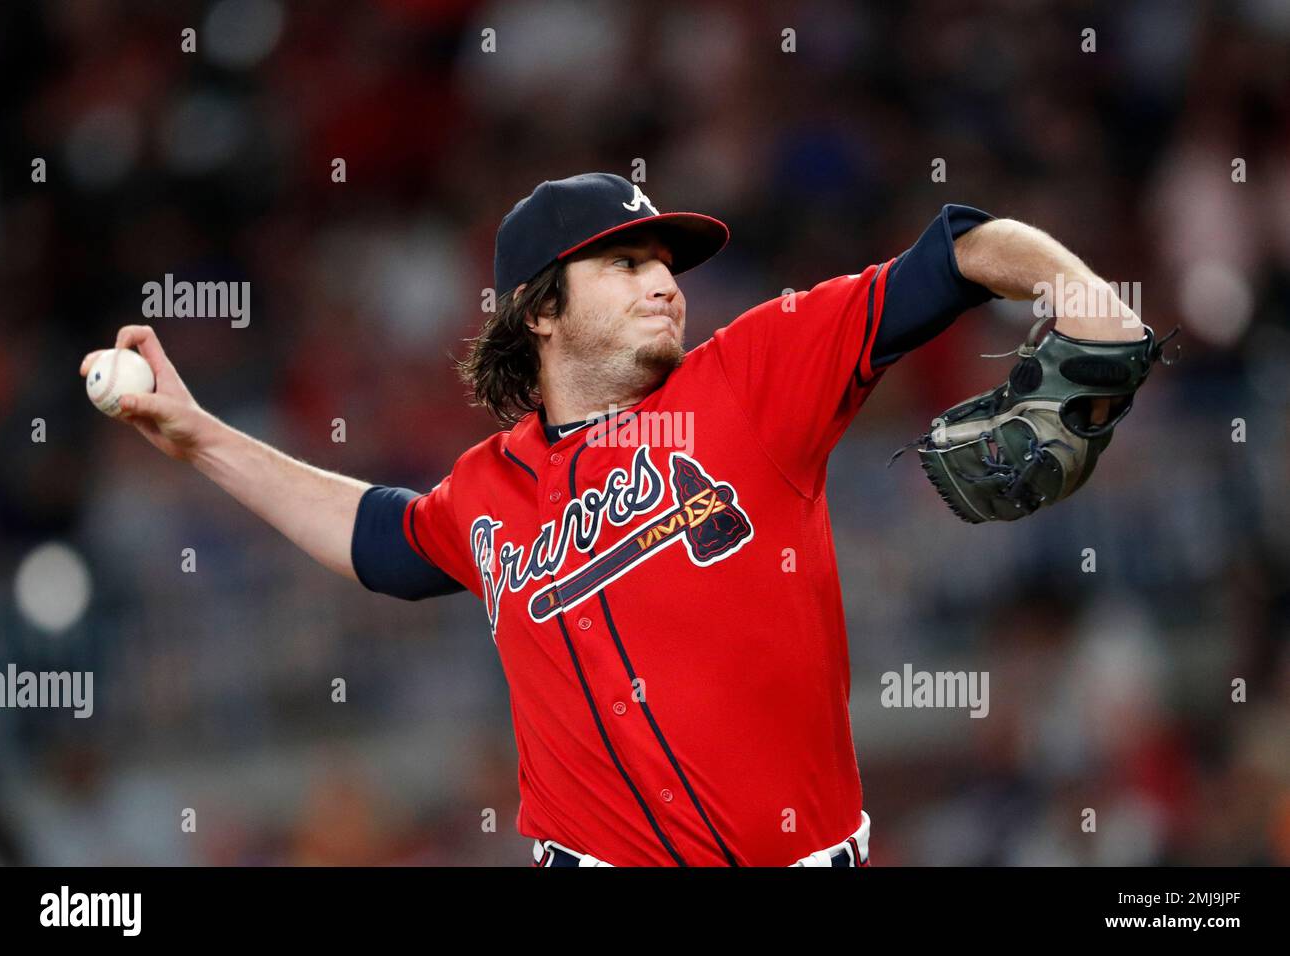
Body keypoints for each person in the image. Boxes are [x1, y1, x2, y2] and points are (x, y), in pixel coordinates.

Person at [82, 172, 1143, 867]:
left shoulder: (757, 376)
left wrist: (1080, 290)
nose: (665, 285)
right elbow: (379, 541)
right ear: (539, 309)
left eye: (667, 264)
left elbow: (955, 251)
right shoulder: (485, 492)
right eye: (626, 263)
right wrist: (198, 437)